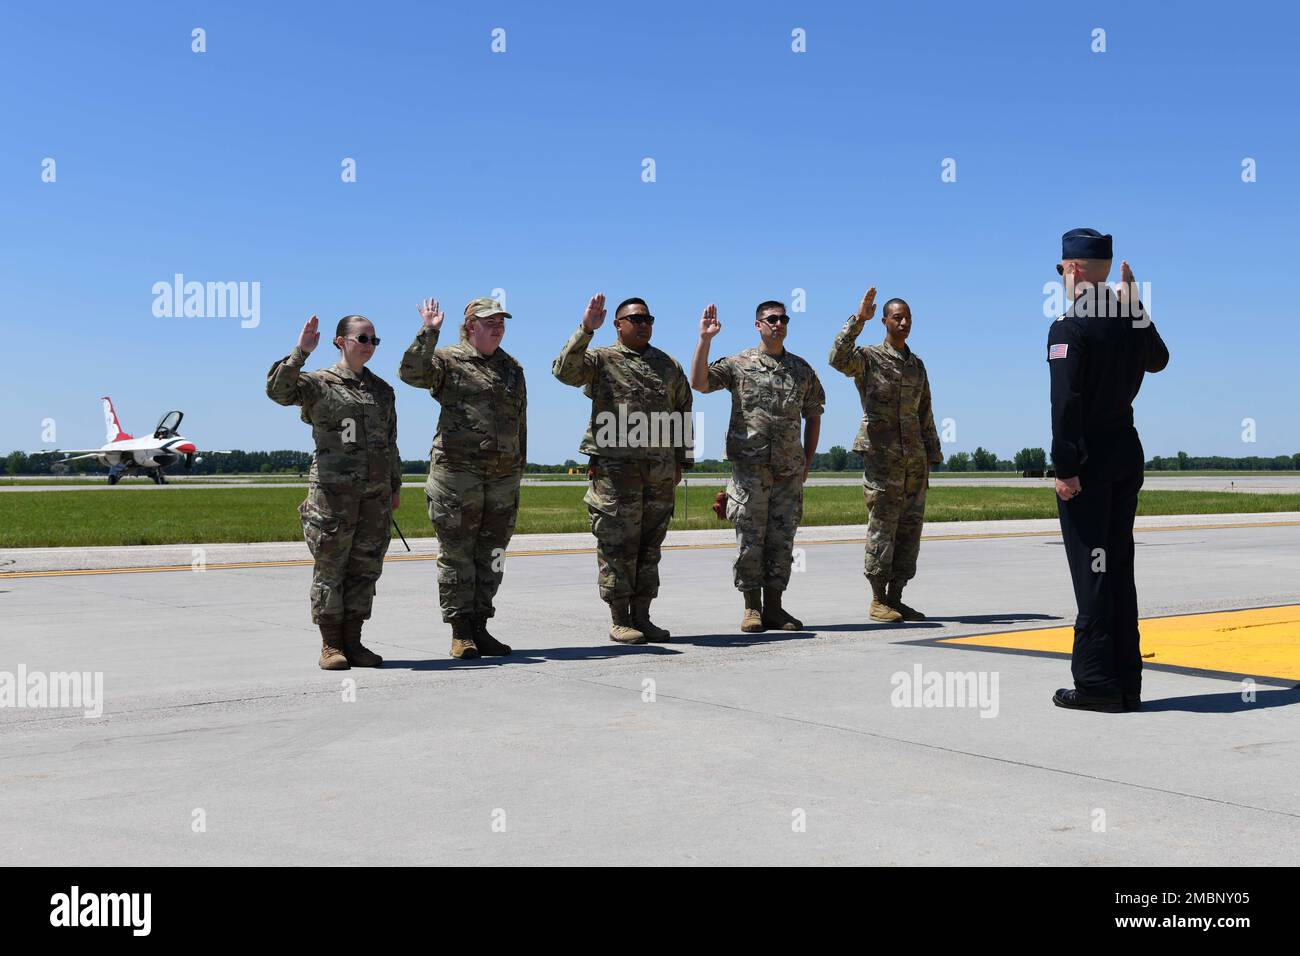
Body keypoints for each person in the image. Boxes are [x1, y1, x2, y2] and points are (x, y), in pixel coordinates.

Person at [1048, 228, 1169, 713]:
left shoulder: (1068, 326)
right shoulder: (1126, 321)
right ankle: (1127, 682)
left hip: (1089, 466)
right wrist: (1136, 307)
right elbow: (1159, 360)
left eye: (1060, 269)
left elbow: (1065, 403)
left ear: (1073, 269)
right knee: (1118, 568)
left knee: (1091, 572)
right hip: (1125, 456)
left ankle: (1097, 682)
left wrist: (1066, 467)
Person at [553, 293, 693, 644]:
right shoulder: (601, 359)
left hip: (659, 473)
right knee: (618, 546)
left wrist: (681, 460)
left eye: (648, 319)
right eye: (636, 319)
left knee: (649, 548)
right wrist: (586, 329)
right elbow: (564, 371)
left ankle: (643, 617)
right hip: (616, 474)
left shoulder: (668, 365)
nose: (644, 324)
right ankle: (619, 619)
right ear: (618, 325)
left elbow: (683, 410)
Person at [266, 314, 400, 669]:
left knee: (364, 570)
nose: (369, 346)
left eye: (374, 340)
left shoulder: (383, 391)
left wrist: (394, 486)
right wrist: (300, 352)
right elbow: (278, 392)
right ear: (340, 341)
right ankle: (330, 645)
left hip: (374, 497)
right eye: (362, 338)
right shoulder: (319, 384)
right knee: (331, 569)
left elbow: (390, 444)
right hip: (332, 496)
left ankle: (354, 642)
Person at [398, 297, 526, 660]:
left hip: (501, 479)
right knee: (458, 556)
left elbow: (521, 422)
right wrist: (429, 332)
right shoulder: (448, 359)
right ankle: (460, 632)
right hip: (457, 476)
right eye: (490, 322)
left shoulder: (512, 367)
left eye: (502, 321)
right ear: (470, 326)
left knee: (494, 555)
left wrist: (519, 467)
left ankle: (481, 626)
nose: (498, 327)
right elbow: (411, 373)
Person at [691, 300, 824, 632]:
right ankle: (752, 608)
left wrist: (806, 461)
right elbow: (700, 382)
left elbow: (814, 414)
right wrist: (705, 340)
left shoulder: (801, 369)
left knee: (781, 540)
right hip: (750, 471)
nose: (778, 324)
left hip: (788, 472)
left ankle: (775, 608)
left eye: (783, 319)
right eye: (771, 319)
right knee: (750, 541)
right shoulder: (739, 364)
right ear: (758, 325)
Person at [829, 288, 943, 623]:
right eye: (898, 317)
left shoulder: (916, 365)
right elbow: (837, 357)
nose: (904, 322)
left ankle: (897, 598)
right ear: (885, 321)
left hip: (914, 461)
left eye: (908, 317)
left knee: (910, 530)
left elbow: (925, 412)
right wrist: (857, 321)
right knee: (883, 527)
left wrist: (931, 455)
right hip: (882, 458)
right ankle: (877, 599)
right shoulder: (868, 358)